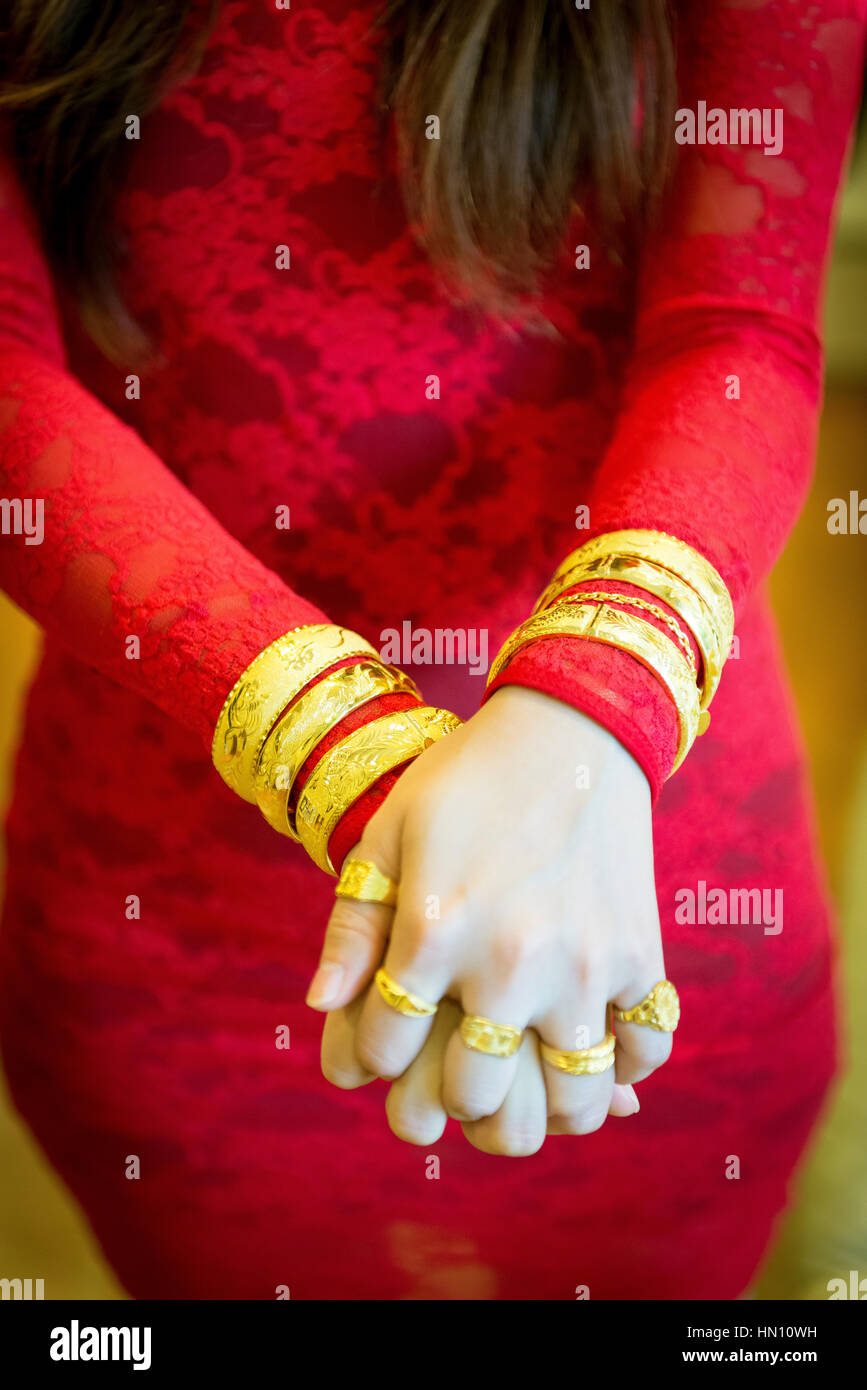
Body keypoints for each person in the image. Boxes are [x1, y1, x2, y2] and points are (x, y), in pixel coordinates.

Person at [0, 0, 863, 1300]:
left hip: (645, 883)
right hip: (178, 916)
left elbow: (740, 329)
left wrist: (591, 708)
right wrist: (358, 753)